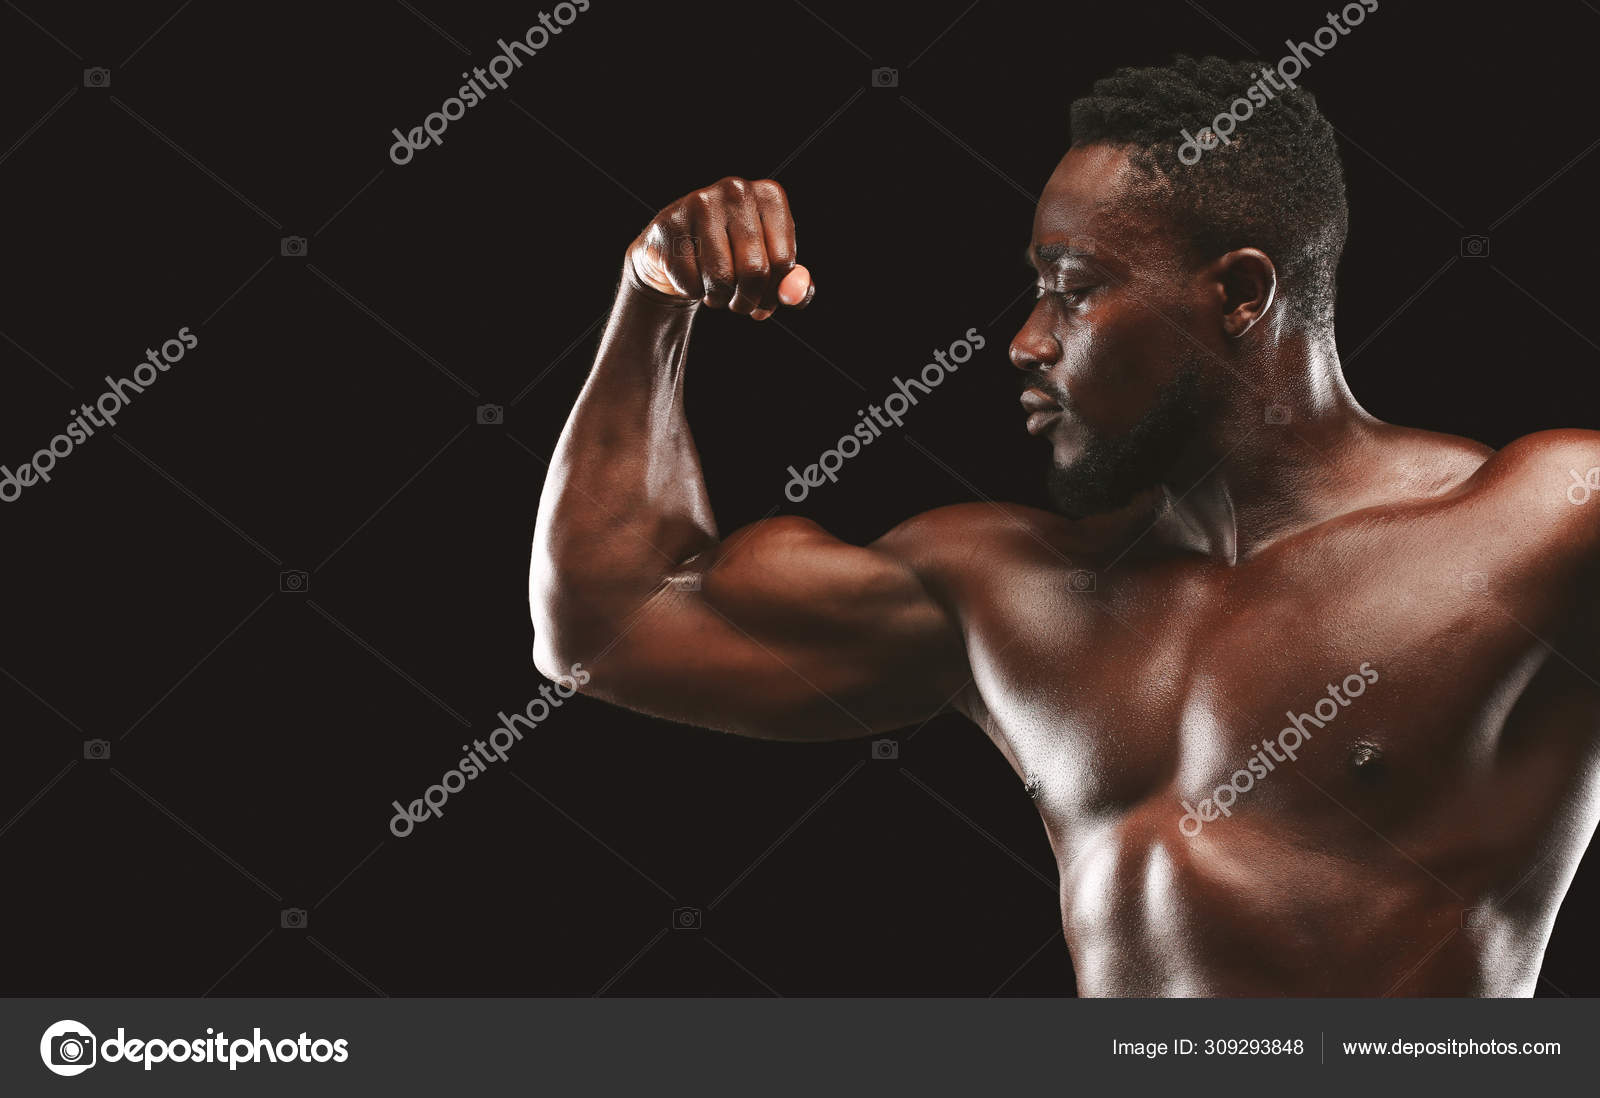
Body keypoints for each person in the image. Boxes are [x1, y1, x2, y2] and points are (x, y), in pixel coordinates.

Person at [529, 57, 1600, 995]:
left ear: (1237, 293)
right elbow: (606, 627)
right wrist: (650, 298)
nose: (1026, 342)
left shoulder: (1536, 523)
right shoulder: (1005, 590)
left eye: (1073, 290)